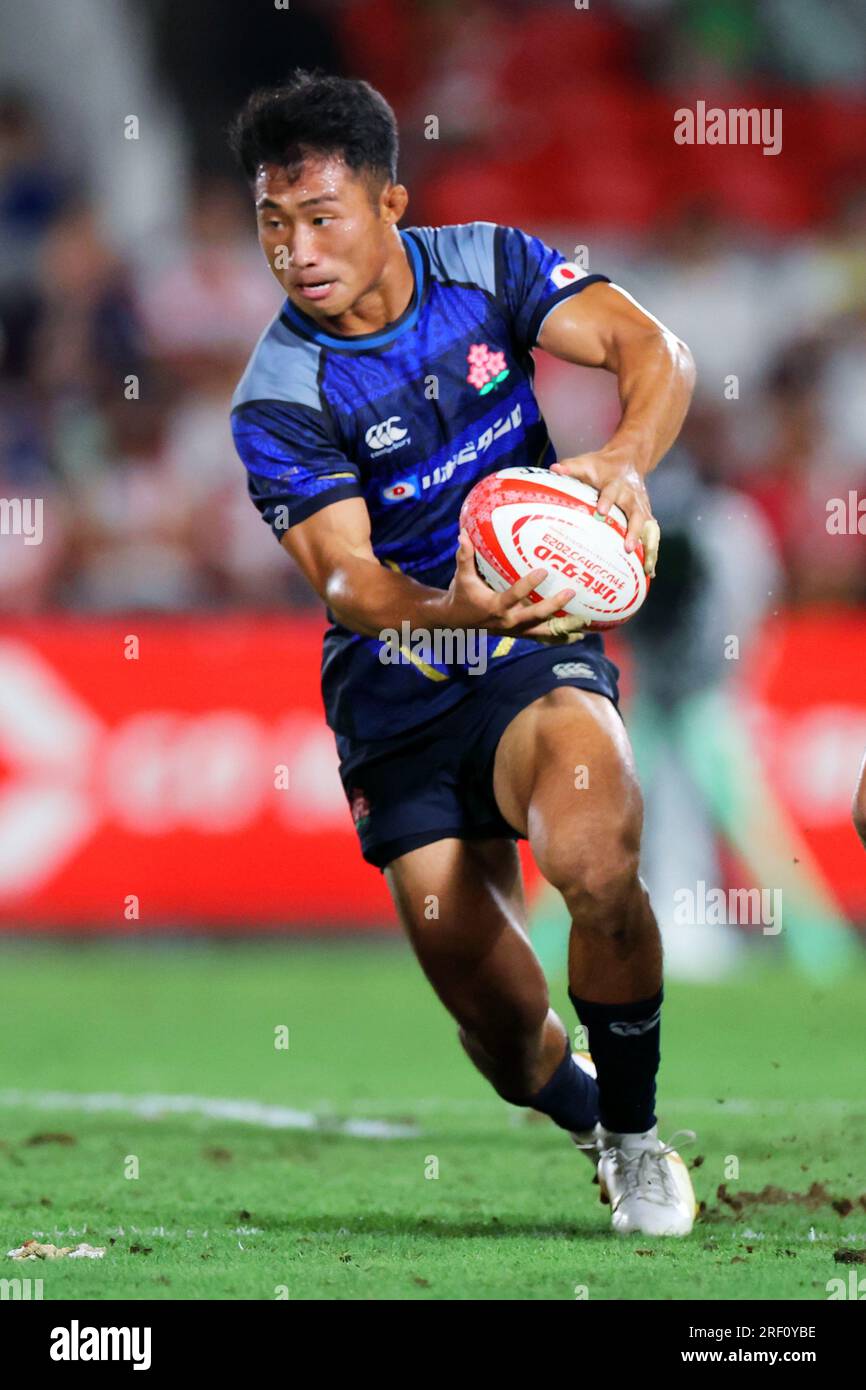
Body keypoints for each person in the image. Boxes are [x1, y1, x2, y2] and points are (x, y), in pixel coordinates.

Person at [229, 71, 697, 1236]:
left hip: (534, 643)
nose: (295, 251)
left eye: (320, 216)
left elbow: (656, 351)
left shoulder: (485, 265)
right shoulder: (279, 392)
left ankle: (636, 1141)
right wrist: (459, 603)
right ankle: (587, 1113)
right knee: (500, 1031)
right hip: (395, 691)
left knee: (595, 860)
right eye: (271, 225)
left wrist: (627, 458)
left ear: (392, 203)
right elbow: (348, 582)